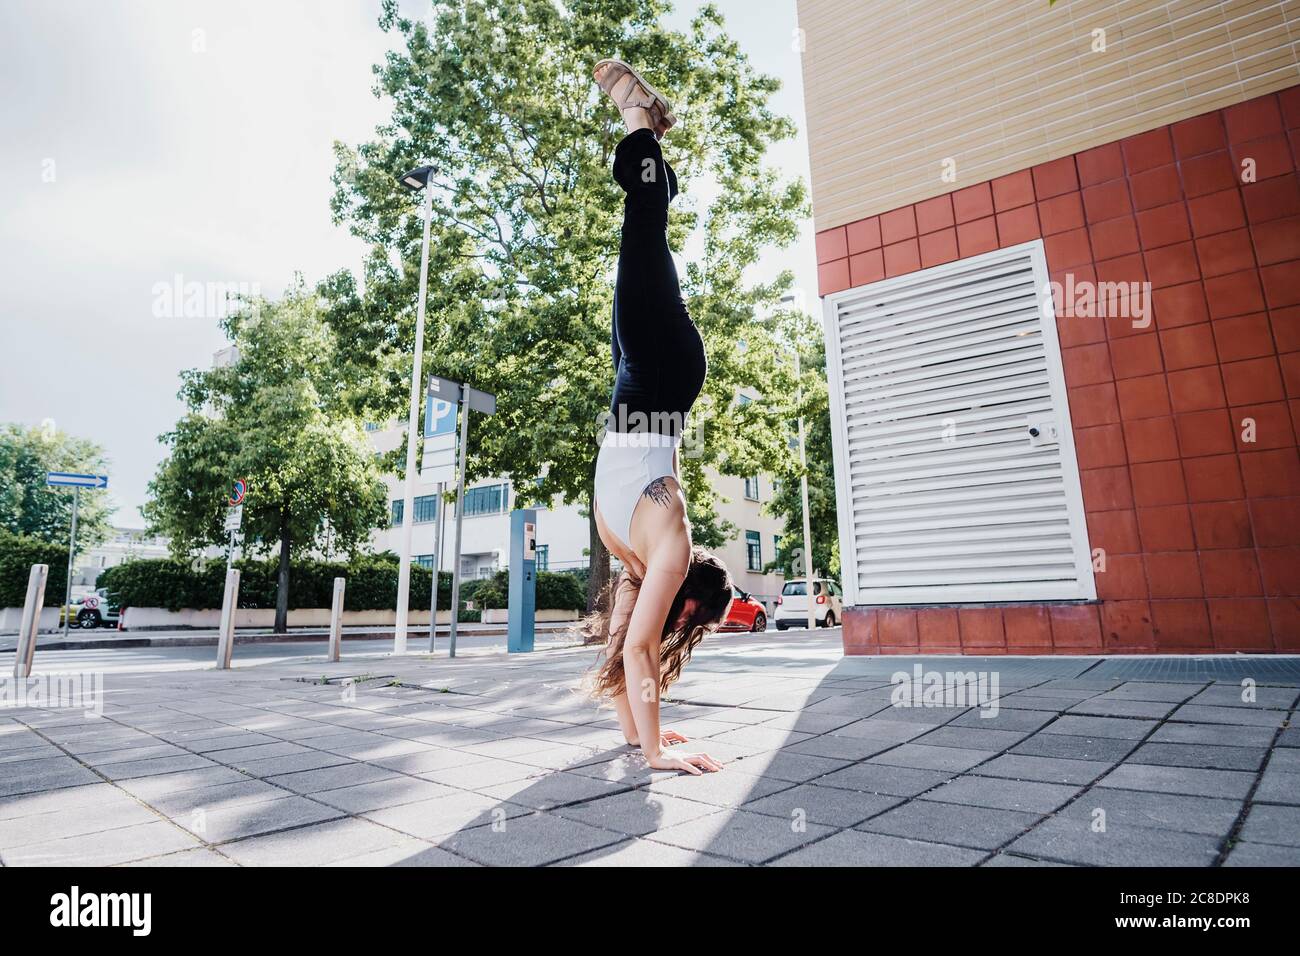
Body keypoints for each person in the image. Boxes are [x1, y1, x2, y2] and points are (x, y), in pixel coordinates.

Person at [583, 59, 735, 776]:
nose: (662, 622)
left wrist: (640, 737)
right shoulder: (666, 544)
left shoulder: (639, 565)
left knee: (645, 238)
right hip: (663, 374)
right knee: (642, 229)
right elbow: (644, 649)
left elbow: (623, 654)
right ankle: (638, 117)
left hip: (634, 383)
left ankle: (655, 142)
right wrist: (654, 756)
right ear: (687, 605)